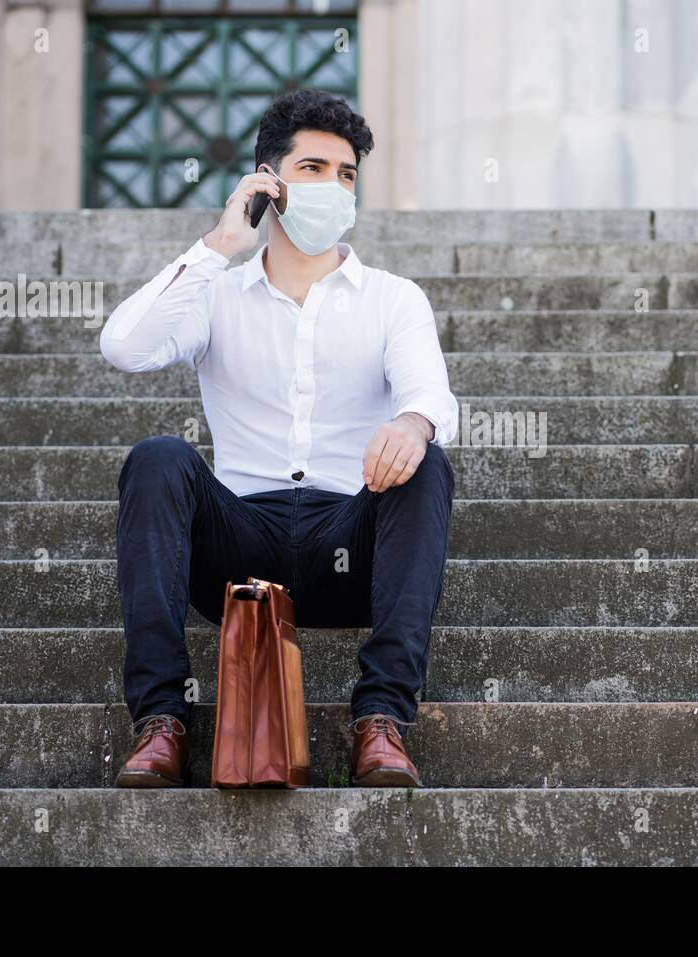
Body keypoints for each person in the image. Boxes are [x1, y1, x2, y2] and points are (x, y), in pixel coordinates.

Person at [98, 88, 458, 789]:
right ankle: (161, 723)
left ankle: (381, 722)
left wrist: (412, 426)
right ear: (270, 181)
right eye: (315, 168)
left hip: (350, 542)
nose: (334, 186)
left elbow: (430, 396)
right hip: (241, 551)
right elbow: (123, 346)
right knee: (158, 458)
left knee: (428, 457)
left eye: (347, 174)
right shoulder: (216, 292)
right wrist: (217, 246)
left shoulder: (394, 297)